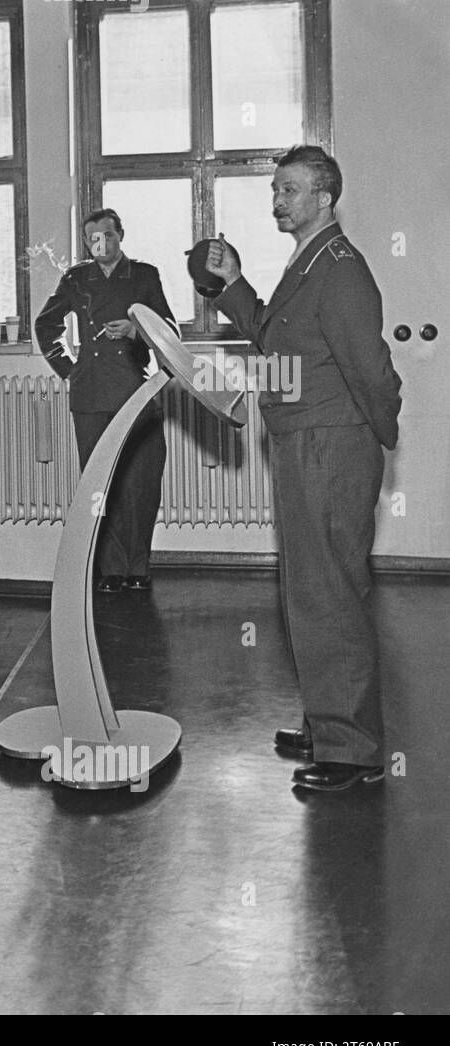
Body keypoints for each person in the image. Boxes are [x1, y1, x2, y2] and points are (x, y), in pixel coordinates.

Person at [205, 145, 402, 794]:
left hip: (330, 447)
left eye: (289, 190)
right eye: (275, 190)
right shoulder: (308, 262)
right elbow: (270, 334)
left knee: (332, 594)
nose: (277, 201)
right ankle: (328, 722)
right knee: (310, 592)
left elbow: (371, 370)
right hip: (301, 445)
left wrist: (379, 433)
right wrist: (232, 281)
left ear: (323, 196)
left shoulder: (341, 269)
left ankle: (354, 752)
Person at [34, 208, 176, 593]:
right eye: (93, 238)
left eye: (108, 236)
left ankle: (137, 566)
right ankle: (110, 570)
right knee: (101, 485)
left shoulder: (144, 275)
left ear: (121, 235)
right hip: (91, 394)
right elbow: (45, 325)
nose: (101, 244)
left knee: (142, 482)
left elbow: (170, 330)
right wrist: (70, 369)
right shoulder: (76, 278)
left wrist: (136, 331)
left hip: (137, 391)